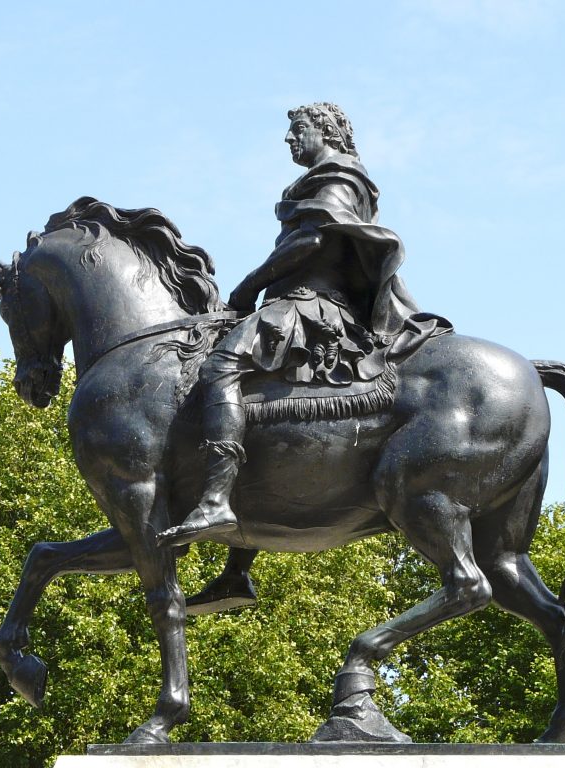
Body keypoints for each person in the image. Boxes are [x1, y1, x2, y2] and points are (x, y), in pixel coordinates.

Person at [157, 103, 449, 549]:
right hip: (305, 301)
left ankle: (215, 501)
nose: (289, 140)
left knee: (220, 367)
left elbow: (312, 240)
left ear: (327, 132)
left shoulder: (337, 176)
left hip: (312, 305)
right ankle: (239, 561)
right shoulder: (331, 178)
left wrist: (246, 287)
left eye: (298, 130)